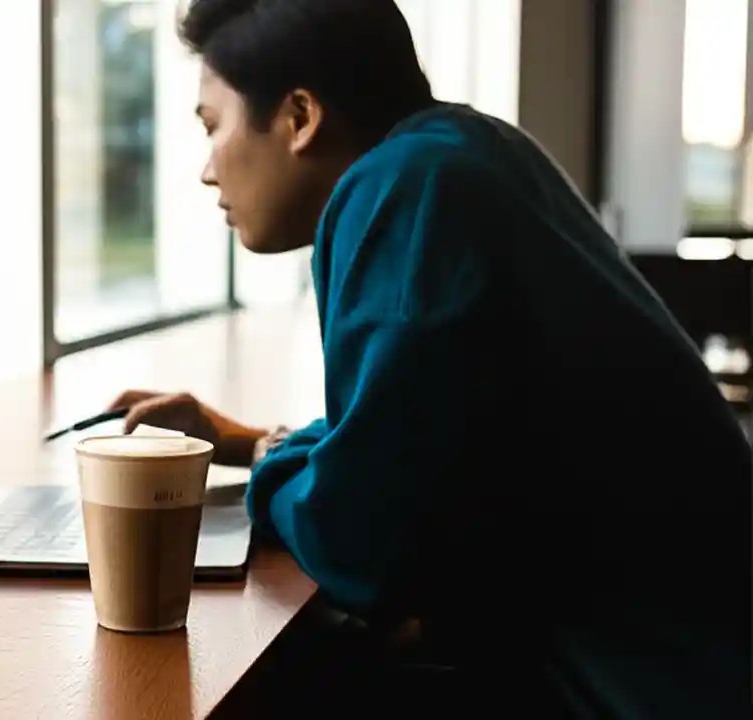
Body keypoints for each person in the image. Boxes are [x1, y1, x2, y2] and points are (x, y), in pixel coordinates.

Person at [109, 1, 752, 716]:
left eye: (212, 125)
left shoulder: (408, 189)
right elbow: (422, 447)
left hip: (658, 684)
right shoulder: (466, 149)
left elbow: (357, 544)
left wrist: (276, 471)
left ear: (299, 116)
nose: (206, 170)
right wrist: (258, 445)